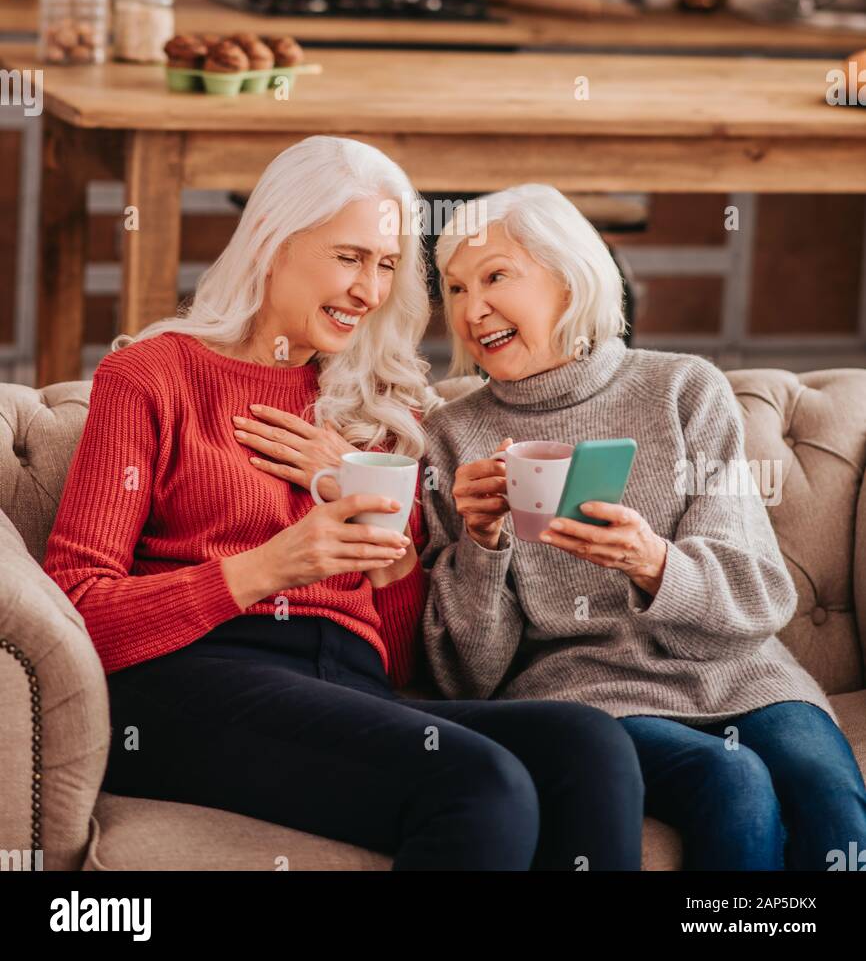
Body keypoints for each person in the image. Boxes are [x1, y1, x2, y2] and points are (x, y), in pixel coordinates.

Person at [43, 138, 643, 872]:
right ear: (273, 242)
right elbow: (76, 613)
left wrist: (388, 555)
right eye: (349, 256)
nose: (370, 289)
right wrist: (266, 569)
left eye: (387, 264)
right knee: (480, 786)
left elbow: (391, 662)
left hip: (343, 685)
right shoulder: (150, 376)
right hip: (186, 683)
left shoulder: (375, 413)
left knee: (589, 745)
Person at [420, 183, 866, 871]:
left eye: (495, 276)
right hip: (589, 695)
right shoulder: (452, 437)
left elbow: (759, 596)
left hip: (746, 676)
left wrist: (654, 563)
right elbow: (466, 679)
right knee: (734, 782)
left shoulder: (685, 389)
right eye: (454, 289)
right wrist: (481, 547)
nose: (472, 309)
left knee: (831, 800)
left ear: (569, 278)